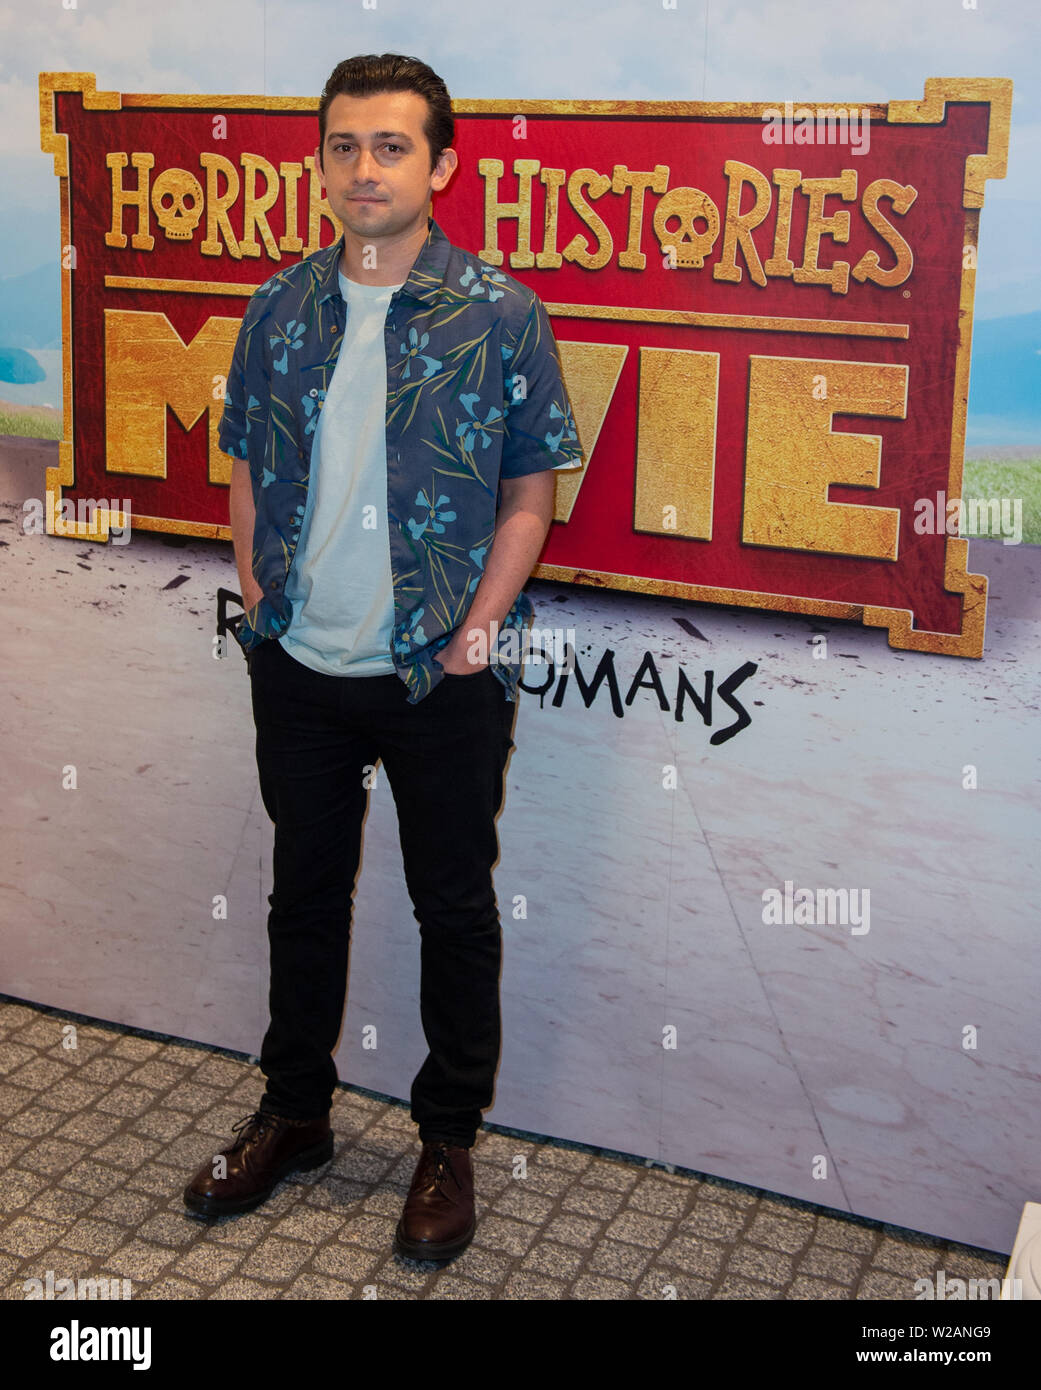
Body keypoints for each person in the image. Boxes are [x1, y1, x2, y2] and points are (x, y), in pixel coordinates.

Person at [182, 53, 584, 1263]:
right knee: (302, 894)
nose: (366, 169)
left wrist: (481, 626)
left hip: (438, 676)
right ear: (319, 165)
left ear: (441, 166)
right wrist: (257, 587)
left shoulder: (500, 313)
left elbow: (533, 483)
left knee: (454, 906)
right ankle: (296, 1111)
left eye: (392, 146)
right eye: (345, 146)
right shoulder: (278, 306)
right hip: (298, 664)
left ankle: (447, 1141)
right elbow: (245, 458)